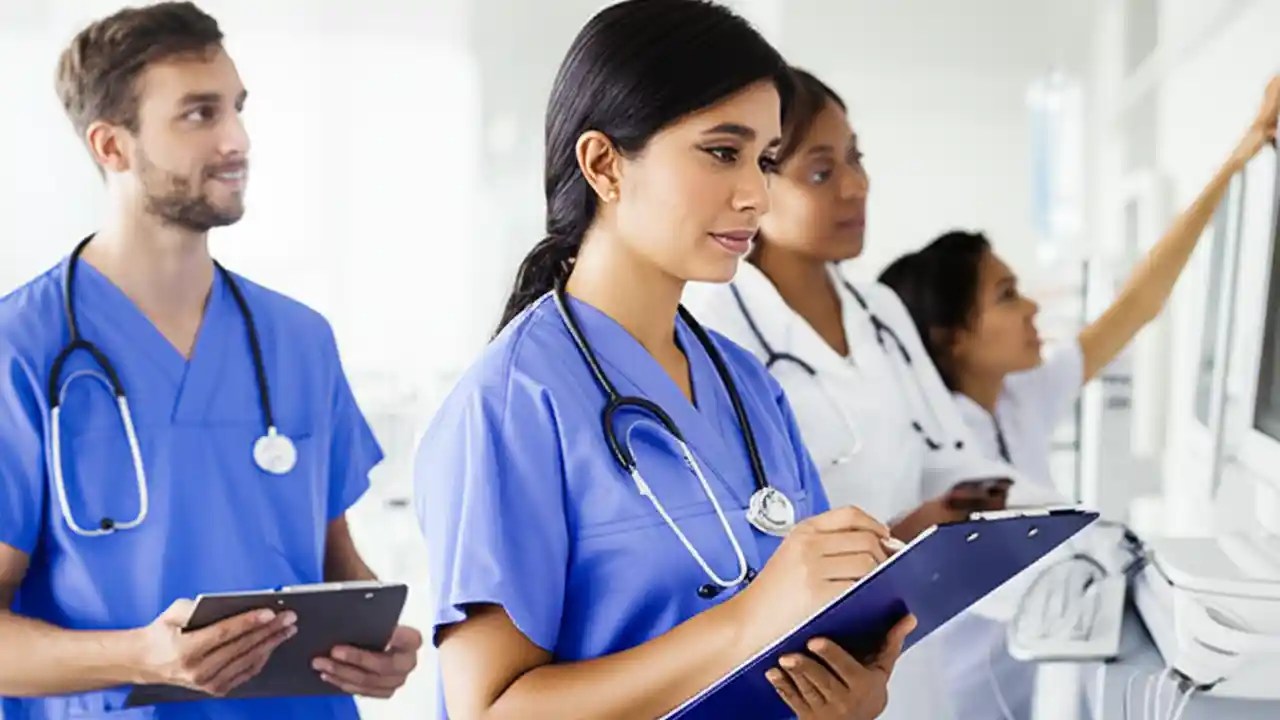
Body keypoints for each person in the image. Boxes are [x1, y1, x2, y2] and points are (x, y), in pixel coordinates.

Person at [413, 2, 914, 719]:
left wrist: (850, 692)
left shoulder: (749, 389)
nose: (755, 194)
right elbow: (490, 710)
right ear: (603, 165)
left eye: (766, 160)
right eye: (722, 152)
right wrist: (744, 625)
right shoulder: (513, 403)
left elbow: (809, 623)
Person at [0, 4, 421, 718]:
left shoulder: (298, 340)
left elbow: (333, 566)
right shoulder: (21, 349)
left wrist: (376, 647)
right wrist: (139, 654)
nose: (237, 140)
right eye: (199, 115)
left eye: (237, 108)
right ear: (112, 146)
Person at [878, 74, 1280, 720]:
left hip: (1038, 685)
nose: (1033, 305)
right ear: (951, 338)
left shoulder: (1019, 395)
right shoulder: (937, 450)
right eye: (1007, 295)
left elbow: (1140, 304)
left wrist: (1239, 157)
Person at [682, 67, 1017, 720]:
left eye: (856, 160)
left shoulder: (880, 309)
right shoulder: (713, 321)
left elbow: (951, 462)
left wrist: (994, 511)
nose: (856, 186)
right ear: (759, 182)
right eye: (821, 172)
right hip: (803, 664)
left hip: (907, 636)